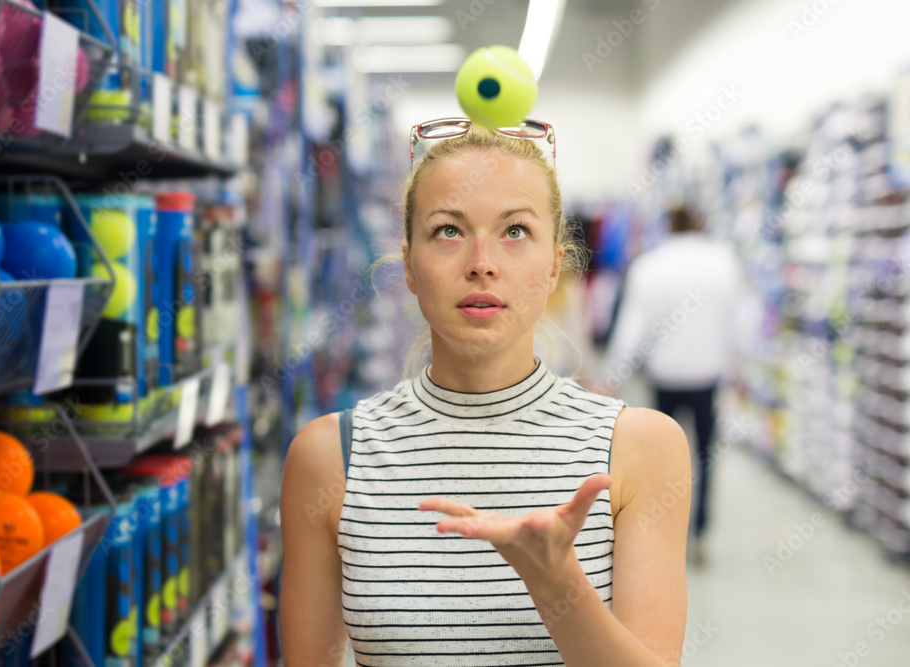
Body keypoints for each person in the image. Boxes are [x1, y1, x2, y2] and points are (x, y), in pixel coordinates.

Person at [279, 119, 691, 666]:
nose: (481, 263)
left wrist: (554, 582)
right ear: (408, 266)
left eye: (515, 231)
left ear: (553, 269)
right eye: (448, 230)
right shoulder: (333, 456)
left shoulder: (639, 448)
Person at [602, 206, 745, 565]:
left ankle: (663, 532)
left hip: (664, 377)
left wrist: (612, 376)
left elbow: (633, 327)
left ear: (667, 225)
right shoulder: (723, 262)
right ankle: (700, 534)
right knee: (705, 458)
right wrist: (739, 368)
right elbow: (738, 320)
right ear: (700, 223)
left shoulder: (650, 266)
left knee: (660, 461)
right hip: (706, 376)